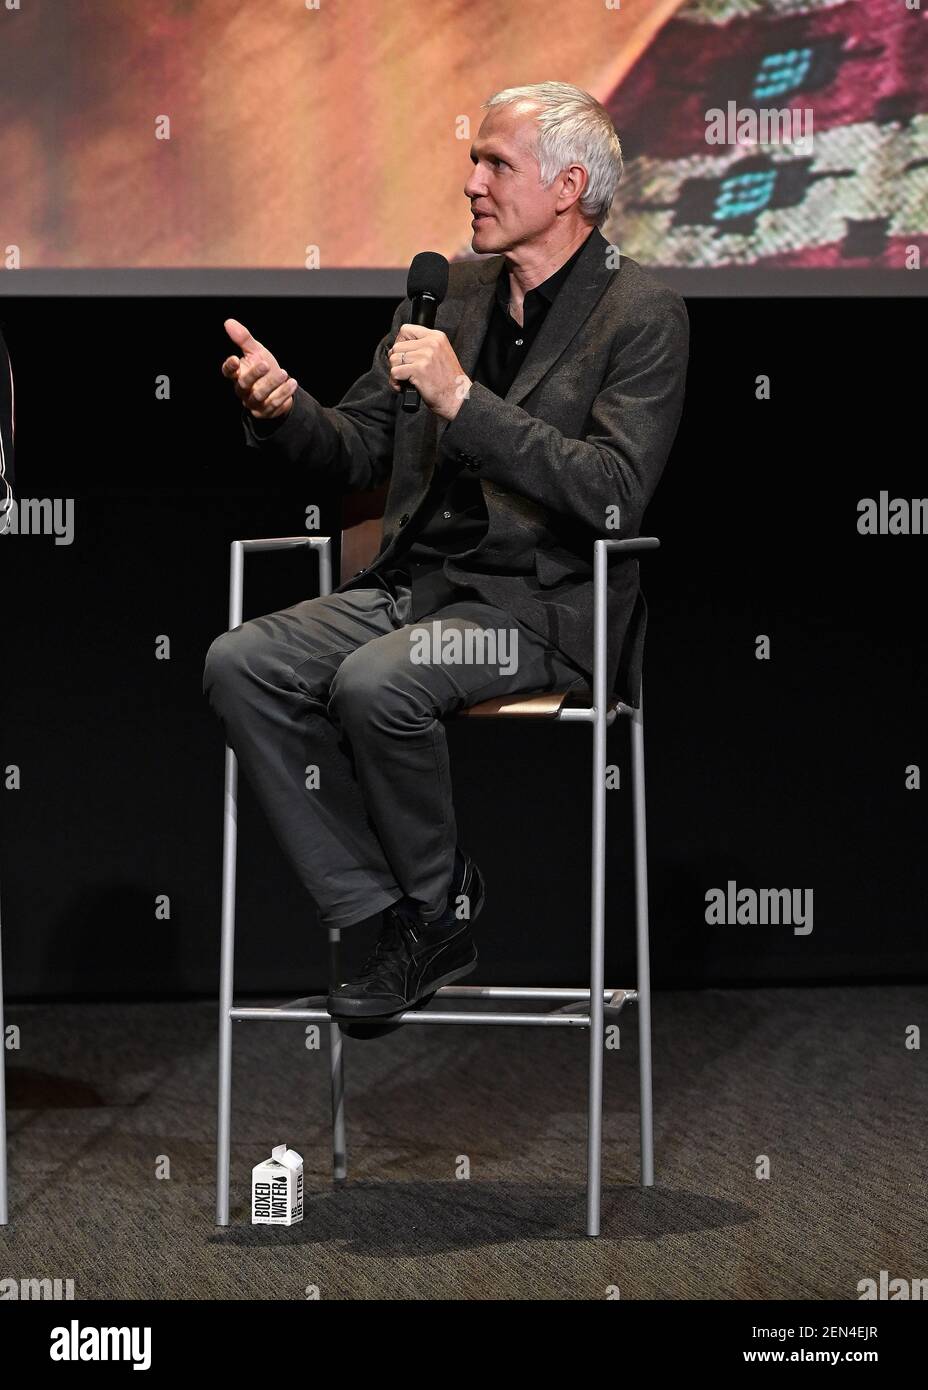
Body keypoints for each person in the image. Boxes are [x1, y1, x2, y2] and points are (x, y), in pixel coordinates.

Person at [204, 82, 689, 1030]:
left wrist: (466, 403)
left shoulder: (643, 314)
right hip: (413, 585)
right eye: (473, 159)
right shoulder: (449, 296)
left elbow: (613, 491)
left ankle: (435, 904)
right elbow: (358, 446)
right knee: (240, 661)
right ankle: (395, 912)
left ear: (569, 187)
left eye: (495, 163)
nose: (470, 181)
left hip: (541, 608)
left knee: (380, 683)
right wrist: (282, 407)